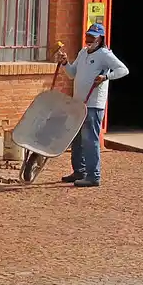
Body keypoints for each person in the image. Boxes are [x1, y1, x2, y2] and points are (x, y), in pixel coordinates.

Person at [60, 22, 128, 187]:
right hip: (79, 103)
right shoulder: (83, 52)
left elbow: (123, 70)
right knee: (76, 139)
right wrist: (65, 63)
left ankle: (93, 175)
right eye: (87, 36)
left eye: (92, 37)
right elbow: (72, 74)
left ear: (100, 39)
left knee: (90, 140)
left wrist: (106, 77)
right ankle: (80, 171)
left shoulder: (105, 54)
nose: (89, 40)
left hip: (93, 104)